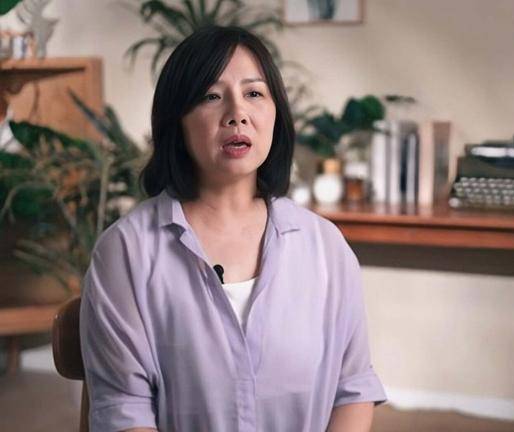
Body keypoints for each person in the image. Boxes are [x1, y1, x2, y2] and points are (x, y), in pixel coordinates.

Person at [79, 25, 386, 432]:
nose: (237, 113)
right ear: (177, 120)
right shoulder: (125, 251)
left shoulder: (324, 246)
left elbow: (353, 389)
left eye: (254, 93)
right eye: (211, 96)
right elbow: (123, 408)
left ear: (276, 114)